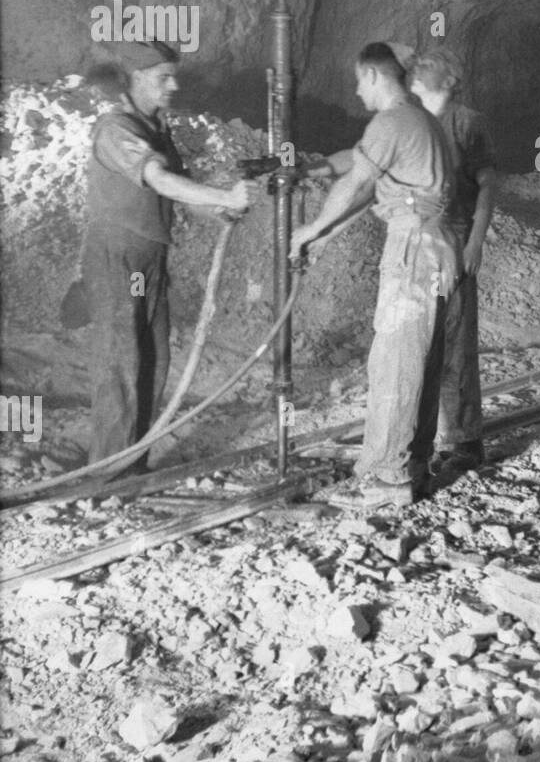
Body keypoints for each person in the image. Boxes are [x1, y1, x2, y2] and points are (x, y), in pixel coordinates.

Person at [290, 42, 460, 509]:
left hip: (412, 247)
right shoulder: (420, 121)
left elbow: (359, 182)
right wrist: (319, 177)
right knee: (419, 360)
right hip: (435, 244)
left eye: (357, 80)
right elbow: (363, 164)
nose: (355, 89)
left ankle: (387, 478)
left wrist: (310, 227)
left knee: (394, 363)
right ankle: (414, 468)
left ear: (372, 76)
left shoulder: (393, 120)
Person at [83, 42, 253, 472]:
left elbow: (176, 190)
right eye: (163, 77)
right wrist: (221, 195)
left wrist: (219, 207)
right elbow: (157, 179)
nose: (173, 85)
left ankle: (133, 462)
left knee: (153, 358)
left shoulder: (155, 128)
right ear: (135, 78)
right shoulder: (116, 129)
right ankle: (107, 474)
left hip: (150, 260)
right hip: (117, 257)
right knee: (121, 359)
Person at [406, 50, 497, 474]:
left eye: (424, 77)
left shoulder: (466, 122)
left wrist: (476, 241)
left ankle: (465, 442)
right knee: (424, 338)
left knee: (456, 338)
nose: (415, 83)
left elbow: (486, 183)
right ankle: (426, 438)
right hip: (419, 239)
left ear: (446, 82)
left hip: (456, 238)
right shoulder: (415, 121)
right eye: (415, 77)